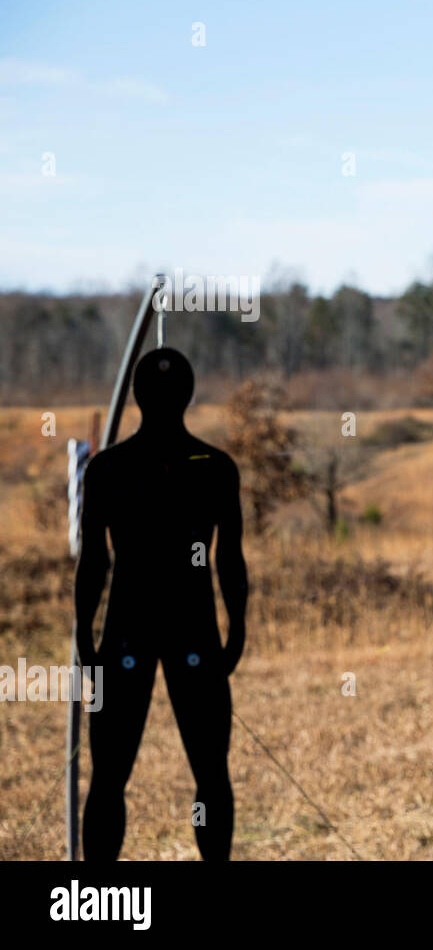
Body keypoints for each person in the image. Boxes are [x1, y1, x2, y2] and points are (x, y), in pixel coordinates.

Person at [75, 348, 247, 860]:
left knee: (115, 776)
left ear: (137, 396)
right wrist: (235, 629)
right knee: (203, 773)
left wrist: (87, 634)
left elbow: (94, 564)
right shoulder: (214, 468)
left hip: (133, 630)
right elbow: (229, 563)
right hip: (186, 631)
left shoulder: (110, 468)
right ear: (187, 396)